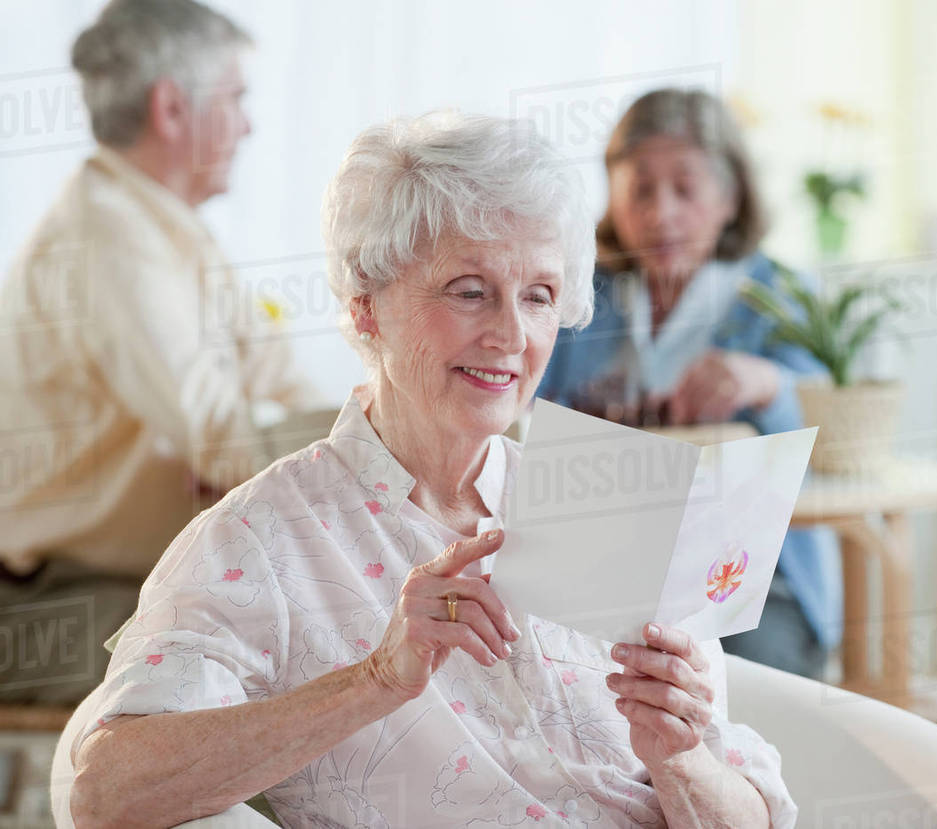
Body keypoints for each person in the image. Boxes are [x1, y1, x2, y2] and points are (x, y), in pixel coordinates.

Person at [63, 113, 797, 828]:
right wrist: (375, 680)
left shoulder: (612, 500)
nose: (511, 335)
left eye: (538, 295)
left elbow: (752, 811)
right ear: (367, 304)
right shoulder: (262, 539)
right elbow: (106, 790)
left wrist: (680, 757)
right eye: (469, 290)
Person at [0, 0, 317, 705]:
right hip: (56, 601)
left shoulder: (168, 227)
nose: (249, 123)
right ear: (172, 109)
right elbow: (223, 435)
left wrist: (385, 455)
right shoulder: (105, 239)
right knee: (284, 670)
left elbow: (279, 391)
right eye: (236, 99)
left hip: (133, 578)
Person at [539, 88, 841, 679]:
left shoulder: (778, 295)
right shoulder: (581, 296)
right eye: (640, 189)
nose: (661, 213)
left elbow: (839, 432)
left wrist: (765, 383)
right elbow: (525, 418)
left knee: (731, 699)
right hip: (604, 573)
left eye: (685, 187)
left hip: (753, 590)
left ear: (730, 197)